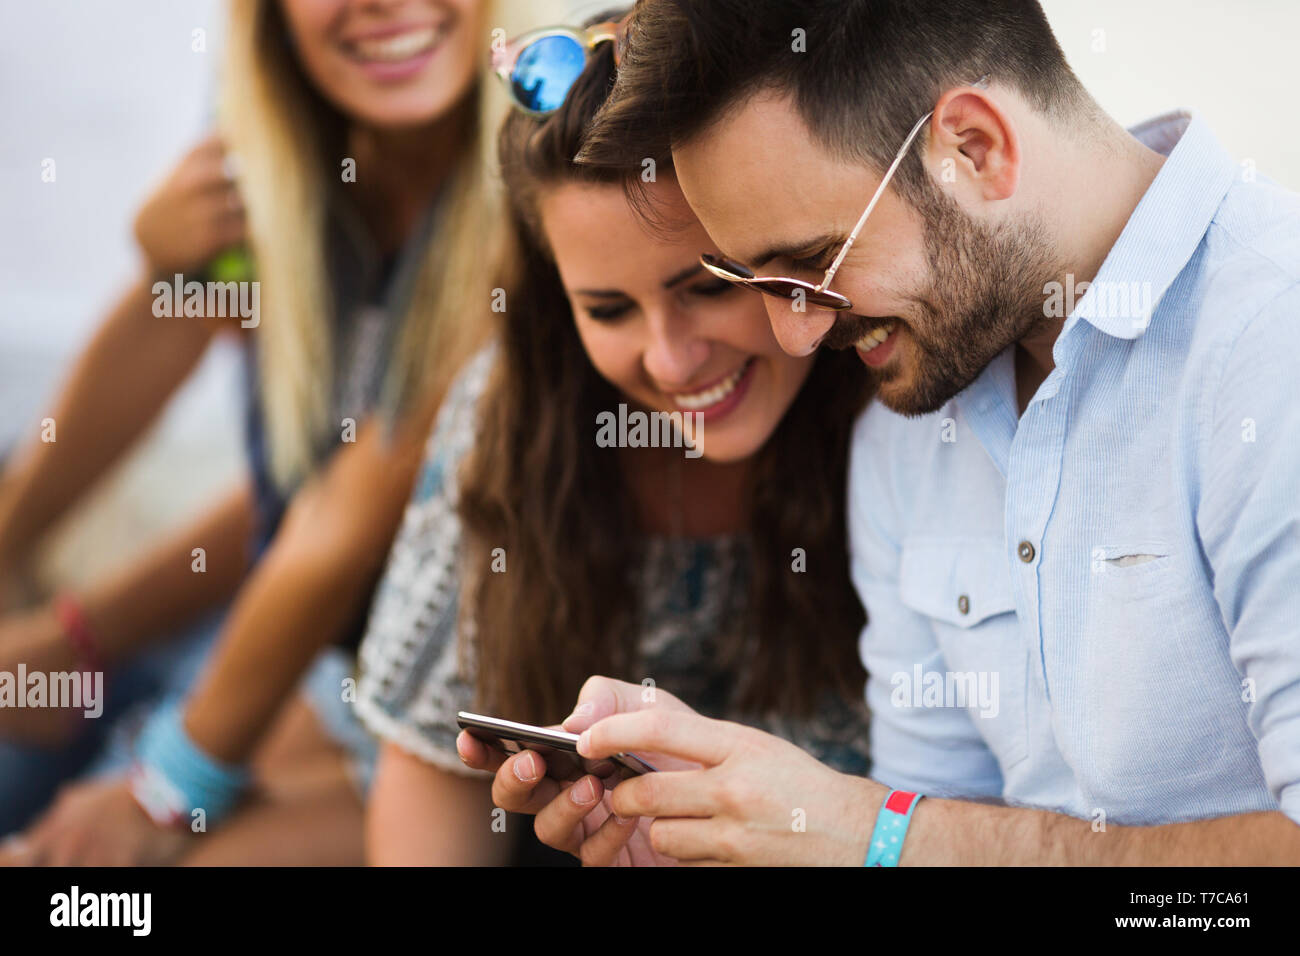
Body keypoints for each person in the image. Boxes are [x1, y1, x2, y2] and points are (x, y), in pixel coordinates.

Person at [482, 0, 1300, 865]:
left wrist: (876, 831)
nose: (795, 333)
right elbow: (935, 838)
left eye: (812, 264)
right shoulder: (909, 421)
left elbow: (924, 842)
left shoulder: (1269, 348)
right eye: (746, 276)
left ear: (974, 148)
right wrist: (717, 828)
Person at [0, 0, 535, 864]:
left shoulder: (532, 161)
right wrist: (166, 264)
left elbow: (349, 517)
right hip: (334, 646)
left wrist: (167, 783)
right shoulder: (287, 133)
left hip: (468, 700)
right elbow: (297, 486)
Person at [354, 10, 874, 865]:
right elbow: (425, 792)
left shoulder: (904, 405)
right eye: (607, 309)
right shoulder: (514, 414)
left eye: (708, 287)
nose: (671, 359)